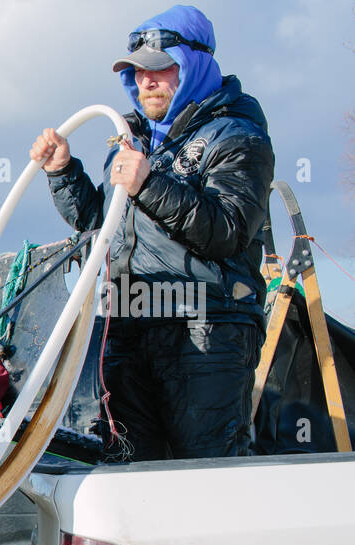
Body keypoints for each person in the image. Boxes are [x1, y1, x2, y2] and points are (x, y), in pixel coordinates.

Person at [30, 4, 274, 460]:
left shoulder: (238, 136)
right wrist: (63, 171)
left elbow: (228, 230)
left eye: (161, 69)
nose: (147, 81)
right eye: (138, 72)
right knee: (128, 472)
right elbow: (101, 227)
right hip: (126, 326)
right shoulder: (132, 140)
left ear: (195, 65)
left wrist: (149, 183)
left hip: (206, 329)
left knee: (207, 475)